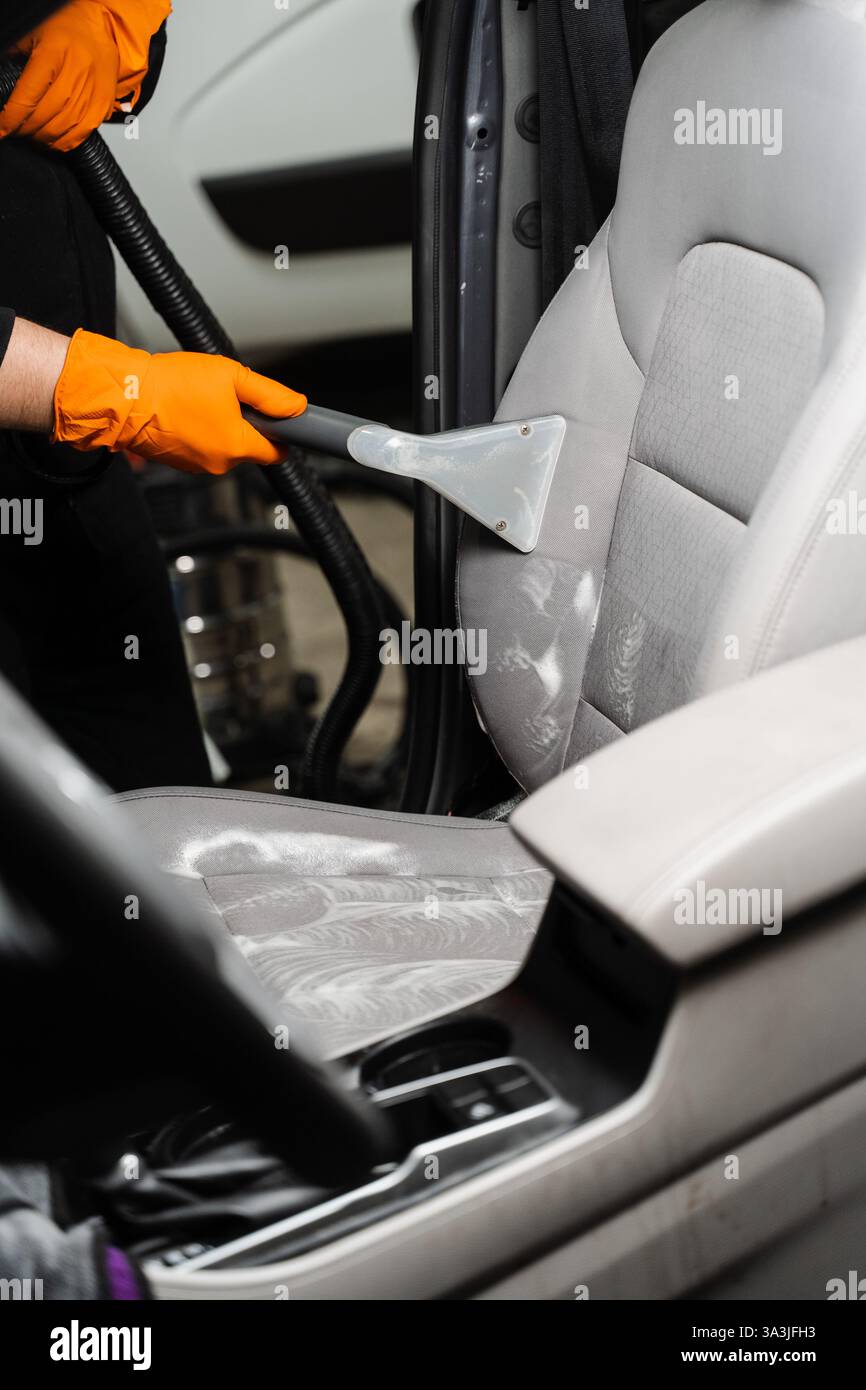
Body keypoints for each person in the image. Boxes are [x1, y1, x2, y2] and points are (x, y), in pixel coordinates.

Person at [0, 0, 306, 790]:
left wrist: (118, 15)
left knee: (160, 831)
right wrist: (106, 391)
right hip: (70, 403)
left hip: (66, 474)